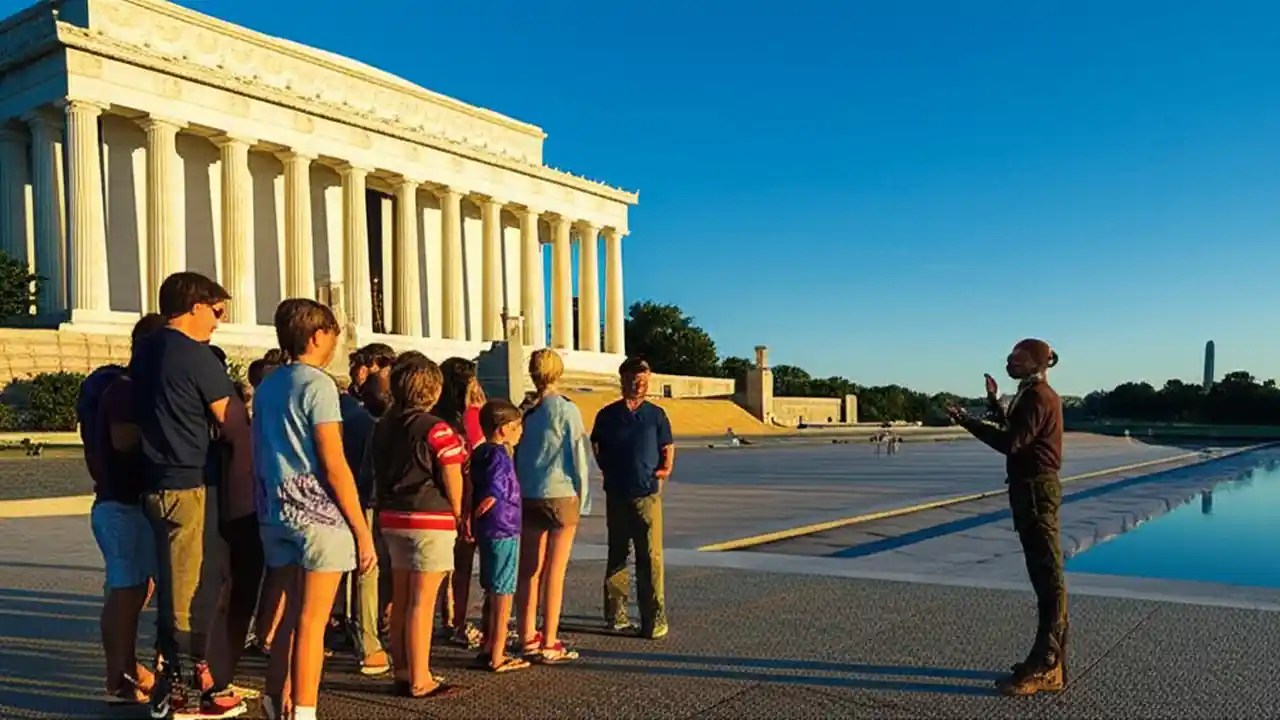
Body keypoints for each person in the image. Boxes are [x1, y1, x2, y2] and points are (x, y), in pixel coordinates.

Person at [132, 272, 250, 720]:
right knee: (198, 587)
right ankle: (184, 688)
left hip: (155, 482)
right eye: (217, 311)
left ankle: (183, 679)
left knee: (173, 585)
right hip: (191, 484)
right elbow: (233, 422)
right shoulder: (195, 356)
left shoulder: (146, 351)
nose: (218, 322)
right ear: (196, 305)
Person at [253, 299, 377, 720]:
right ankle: (304, 709)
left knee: (289, 616)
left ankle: (275, 700)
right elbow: (334, 461)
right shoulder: (318, 386)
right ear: (317, 335)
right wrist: (361, 530)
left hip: (276, 509)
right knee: (313, 620)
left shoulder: (269, 384)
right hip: (318, 515)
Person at [948, 338, 1067, 696]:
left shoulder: (1039, 397)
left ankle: (1046, 665)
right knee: (1045, 576)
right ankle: (1050, 663)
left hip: (1036, 492)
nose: (1010, 362)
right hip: (1030, 490)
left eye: (1018, 358)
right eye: (1010, 357)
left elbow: (1011, 442)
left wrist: (968, 421)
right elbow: (1018, 428)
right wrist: (992, 402)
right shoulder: (1030, 395)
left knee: (1049, 579)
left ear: (1037, 363)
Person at [371, 355, 468, 698]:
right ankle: (420, 677)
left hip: (392, 517)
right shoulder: (437, 429)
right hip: (430, 519)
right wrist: (460, 513)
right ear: (434, 390)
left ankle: (401, 669)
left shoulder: (383, 426)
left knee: (401, 597)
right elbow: (452, 476)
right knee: (422, 602)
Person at [84, 312, 166, 704]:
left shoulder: (126, 388)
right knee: (126, 591)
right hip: (121, 506)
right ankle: (121, 675)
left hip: (119, 506)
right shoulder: (127, 391)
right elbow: (122, 440)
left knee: (129, 589)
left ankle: (121, 672)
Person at [513, 349, 590, 662]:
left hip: (529, 495)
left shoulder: (526, 412)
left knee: (529, 571)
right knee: (554, 572)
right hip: (560, 493)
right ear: (558, 373)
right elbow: (578, 455)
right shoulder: (566, 409)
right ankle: (549, 640)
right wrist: (583, 500)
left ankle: (526, 635)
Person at [592, 358, 674, 640]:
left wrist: (664, 469)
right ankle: (616, 613)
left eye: (643, 380)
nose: (639, 385)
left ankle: (654, 616)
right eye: (633, 379)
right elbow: (597, 445)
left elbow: (667, 445)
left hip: (647, 493)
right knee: (617, 553)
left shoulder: (656, 415)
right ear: (622, 380)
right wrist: (606, 468)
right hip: (616, 492)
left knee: (650, 556)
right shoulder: (607, 415)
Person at [470, 399, 530, 673]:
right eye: (517, 427)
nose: (520, 433)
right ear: (503, 429)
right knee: (504, 590)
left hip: (488, 530)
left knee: (491, 586)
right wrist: (479, 512)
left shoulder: (480, 451)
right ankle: (497, 652)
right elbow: (493, 493)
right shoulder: (499, 456)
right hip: (503, 527)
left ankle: (488, 645)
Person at [434, 357, 487, 647]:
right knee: (462, 564)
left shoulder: (435, 417)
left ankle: (447, 616)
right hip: (465, 496)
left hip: (436, 497)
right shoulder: (473, 418)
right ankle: (458, 621)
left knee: (443, 565)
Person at [350, 368, 393, 677]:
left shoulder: (356, 420)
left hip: (364, 500)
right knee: (371, 569)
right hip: (378, 502)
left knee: (366, 570)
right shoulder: (382, 427)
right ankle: (370, 642)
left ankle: (366, 635)